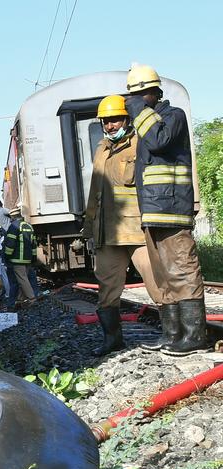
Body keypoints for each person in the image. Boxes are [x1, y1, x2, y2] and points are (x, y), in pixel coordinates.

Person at [126, 64, 210, 356]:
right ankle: (174, 335)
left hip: (172, 210)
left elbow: (159, 140)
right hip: (153, 212)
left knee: (182, 271)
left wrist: (139, 110)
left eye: (137, 96)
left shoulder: (172, 117)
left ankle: (195, 336)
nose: (133, 102)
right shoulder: (148, 122)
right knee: (164, 276)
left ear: (151, 93)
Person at [82, 95, 162, 356]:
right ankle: (112, 341)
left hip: (138, 230)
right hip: (108, 233)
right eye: (106, 121)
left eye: (115, 119)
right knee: (107, 289)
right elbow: (95, 192)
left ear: (127, 119)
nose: (110, 125)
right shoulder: (101, 150)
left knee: (157, 282)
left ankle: (177, 335)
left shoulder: (141, 145)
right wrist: (89, 228)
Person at [2, 208, 36, 310]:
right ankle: (20, 300)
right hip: (28, 259)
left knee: (22, 279)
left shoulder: (14, 226)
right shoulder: (29, 226)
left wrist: (7, 256)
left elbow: (10, 244)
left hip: (17, 259)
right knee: (21, 279)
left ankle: (32, 299)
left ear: (12, 217)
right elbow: (34, 244)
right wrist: (33, 258)